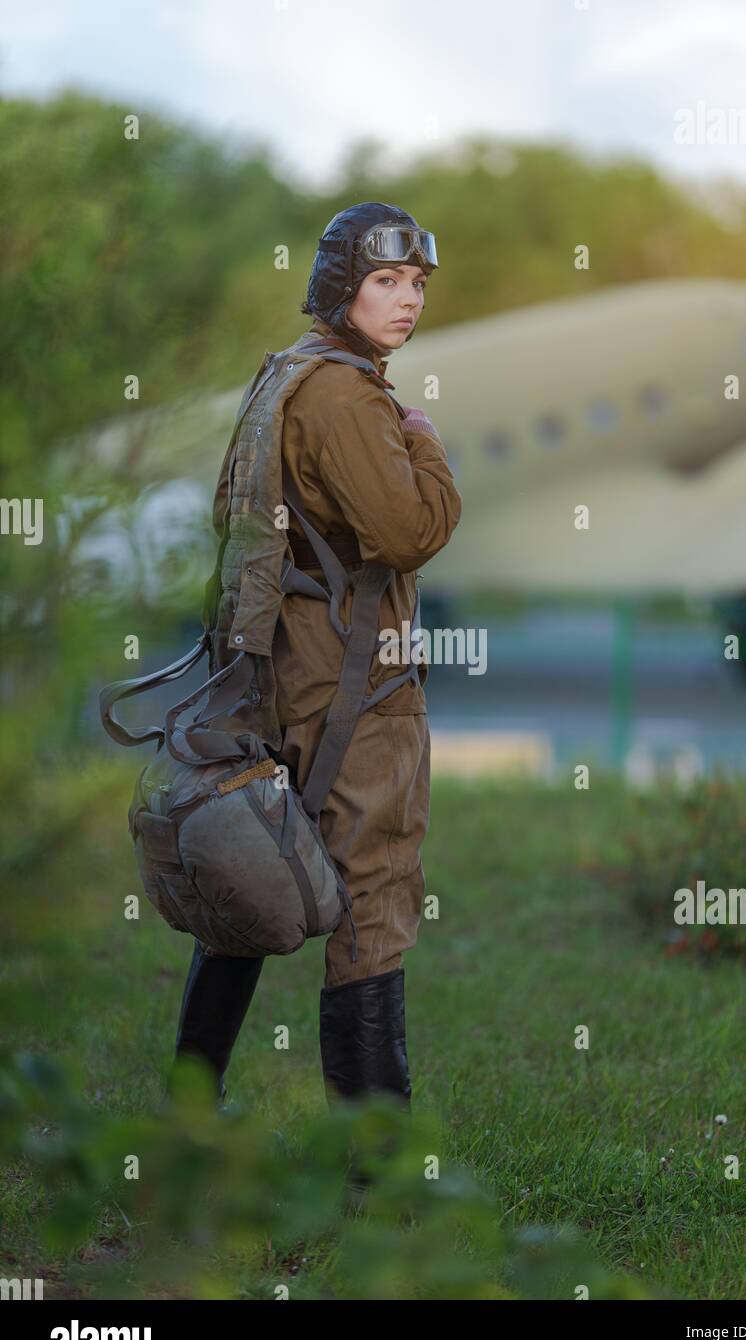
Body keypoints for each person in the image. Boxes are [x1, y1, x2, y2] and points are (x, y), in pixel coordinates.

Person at [170, 202, 462, 1111]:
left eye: (415, 284)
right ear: (343, 288)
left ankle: (188, 1116)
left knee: (246, 888)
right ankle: (376, 1190)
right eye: (385, 283)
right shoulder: (347, 393)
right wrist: (421, 435)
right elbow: (412, 529)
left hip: (274, 670)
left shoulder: (285, 374)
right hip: (352, 685)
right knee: (373, 905)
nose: (406, 301)